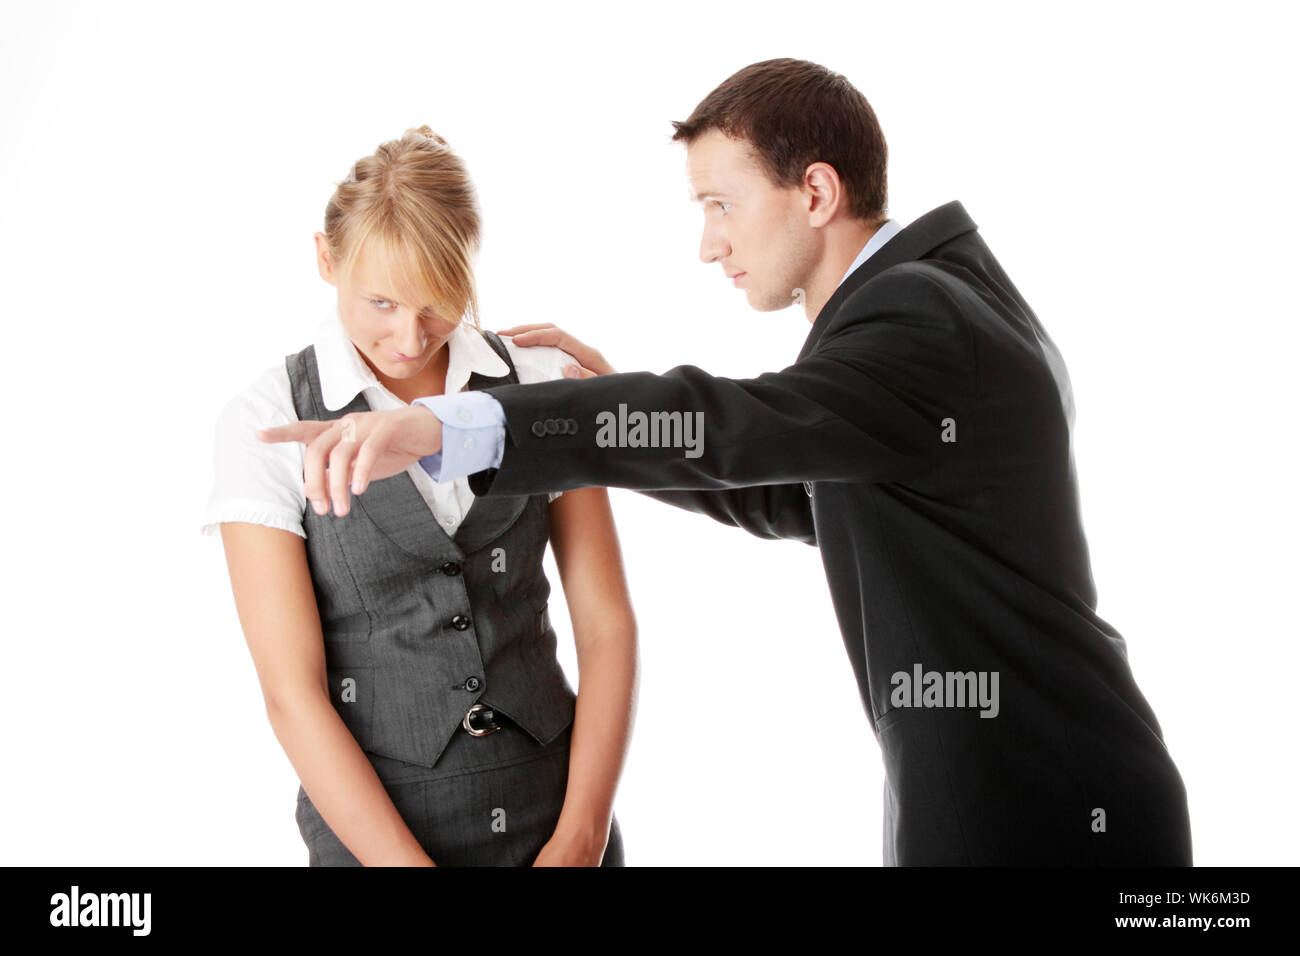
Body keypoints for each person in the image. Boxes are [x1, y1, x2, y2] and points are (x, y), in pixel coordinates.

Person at [260, 59, 1194, 866]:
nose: (709, 243)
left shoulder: (921, 320)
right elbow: (782, 484)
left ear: (816, 193)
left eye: (721, 205)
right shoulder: (937, 300)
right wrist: (610, 404)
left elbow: (726, 421)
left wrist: (460, 425)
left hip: (1039, 806)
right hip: (1048, 785)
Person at [201, 125, 635, 866]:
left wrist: (582, 837)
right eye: (380, 303)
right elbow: (291, 695)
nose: (409, 337)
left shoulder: (537, 383)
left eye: (438, 301)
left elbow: (607, 627)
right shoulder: (267, 421)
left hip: (556, 820)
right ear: (325, 259)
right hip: (374, 841)